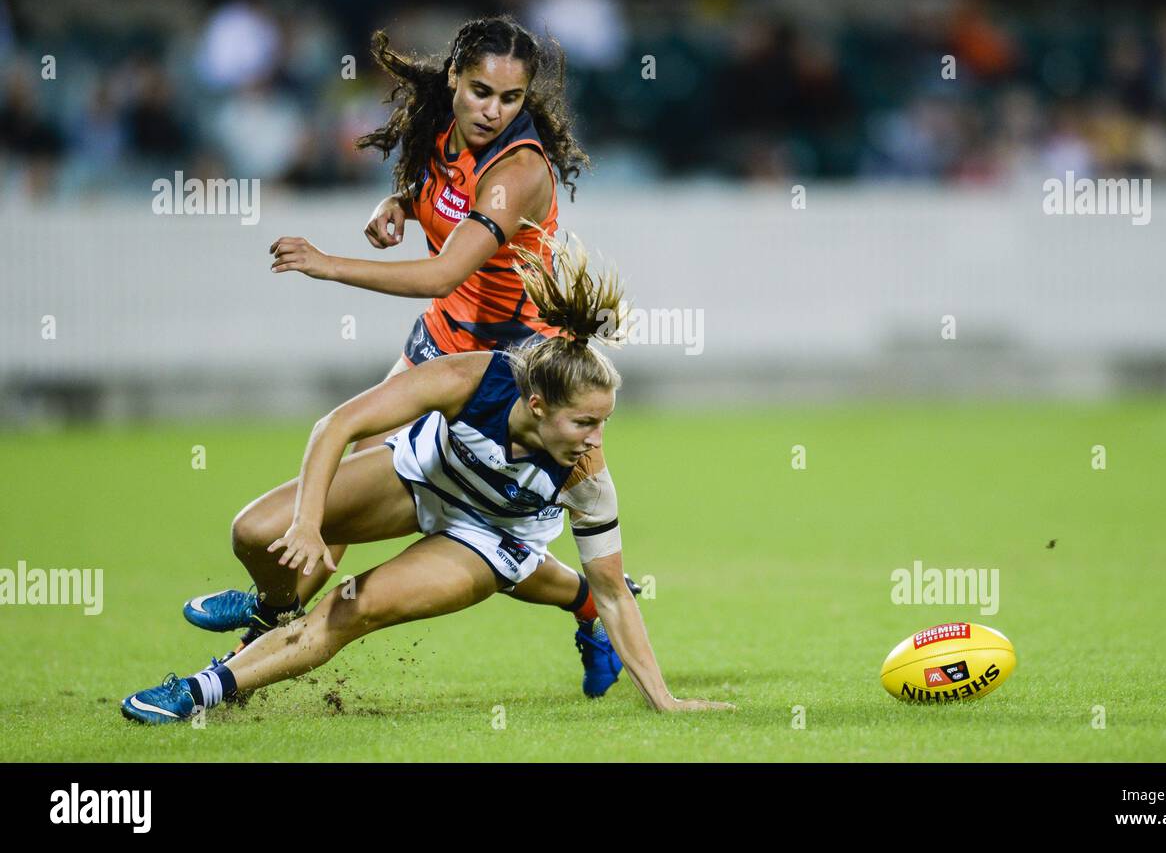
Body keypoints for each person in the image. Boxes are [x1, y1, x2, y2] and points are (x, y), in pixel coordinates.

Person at [121, 232, 734, 722]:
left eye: (605, 422)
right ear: (539, 404)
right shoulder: (473, 378)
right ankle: (269, 609)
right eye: (585, 422)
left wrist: (666, 699)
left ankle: (198, 692)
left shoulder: (586, 477)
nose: (598, 440)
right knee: (255, 532)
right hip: (422, 477)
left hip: (491, 536)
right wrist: (307, 526)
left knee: (347, 609)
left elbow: (615, 592)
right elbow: (335, 426)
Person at [190, 16, 632, 696]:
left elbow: (440, 274)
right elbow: (441, 200)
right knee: (368, 498)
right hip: (435, 347)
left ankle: (272, 616)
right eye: (481, 91)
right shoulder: (440, 130)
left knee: (479, 530)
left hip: (505, 374)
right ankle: (277, 612)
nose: (493, 110)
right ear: (452, 77)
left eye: (510, 99)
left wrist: (328, 264)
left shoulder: (517, 171)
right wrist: (396, 202)